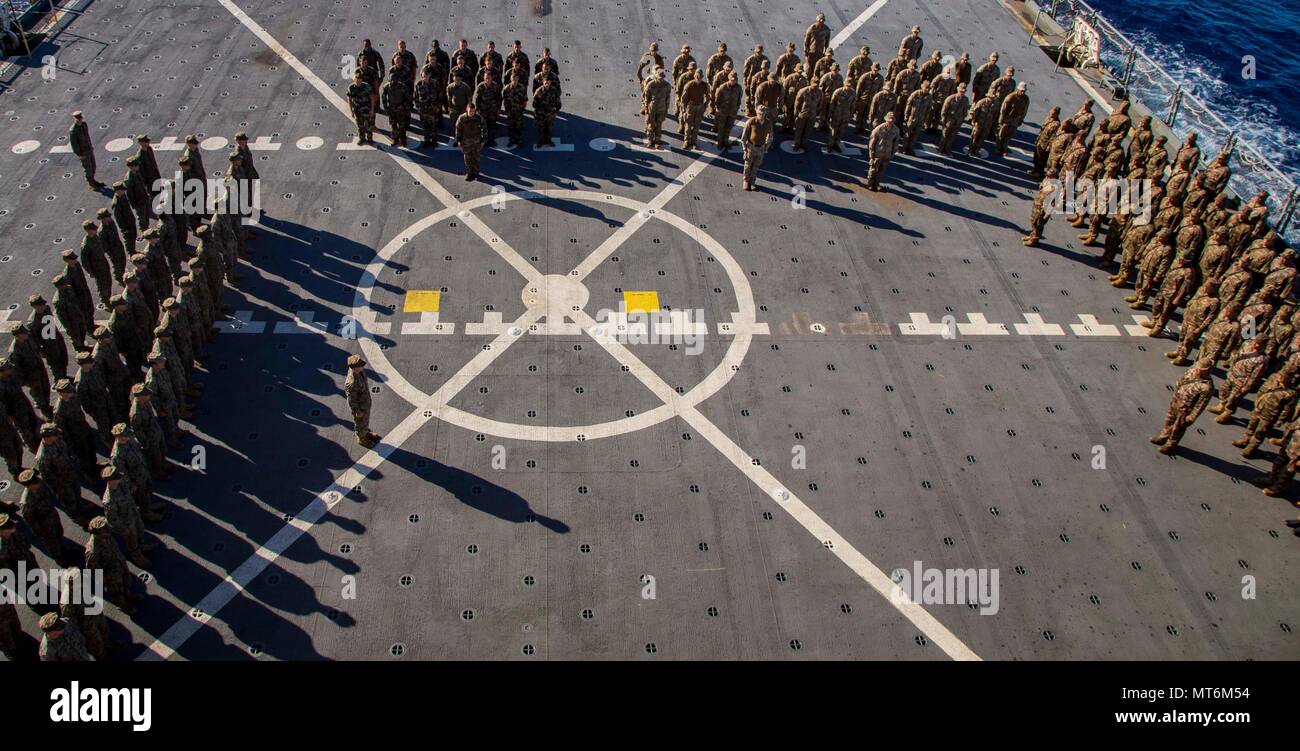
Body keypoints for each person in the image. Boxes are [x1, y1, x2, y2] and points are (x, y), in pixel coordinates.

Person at [346, 355, 380, 448]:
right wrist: (357, 411)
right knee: (360, 423)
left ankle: (365, 432)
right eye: (360, 365)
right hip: (360, 407)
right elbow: (351, 400)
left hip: (365, 402)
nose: (362, 366)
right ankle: (362, 439)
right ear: (355, 368)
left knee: (365, 421)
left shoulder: (359, 372)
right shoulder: (351, 383)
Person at [740, 106, 774, 191]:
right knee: (748, 165)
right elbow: (744, 136)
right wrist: (744, 148)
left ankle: (752, 181)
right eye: (759, 114)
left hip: (761, 148)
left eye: (763, 114)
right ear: (756, 113)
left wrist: (766, 147)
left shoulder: (768, 123)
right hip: (751, 147)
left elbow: (770, 136)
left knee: (756, 166)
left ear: (765, 114)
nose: (761, 115)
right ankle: (746, 181)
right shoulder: (751, 121)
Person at [866, 112, 900, 192]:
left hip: (887, 154)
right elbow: (872, 142)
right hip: (878, 153)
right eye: (889, 121)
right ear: (886, 120)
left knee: (882, 170)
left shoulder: (896, 130)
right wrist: (871, 155)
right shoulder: (879, 128)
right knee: (873, 169)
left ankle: (877, 183)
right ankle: (870, 183)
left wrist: (893, 153)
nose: (890, 122)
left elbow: (896, 142)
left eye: (892, 121)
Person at [69, 111, 103, 189]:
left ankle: (93, 180)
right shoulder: (73, 130)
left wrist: (90, 146)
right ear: (75, 119)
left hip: (89, 149)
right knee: (88, 168)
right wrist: (80, 154)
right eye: (78, 119)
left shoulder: (84, 124)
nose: (80, 120)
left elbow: (87, 136)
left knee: (93, 165)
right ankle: (92, 183)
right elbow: (74, 144)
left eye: (80, 118)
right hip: (83, 152)